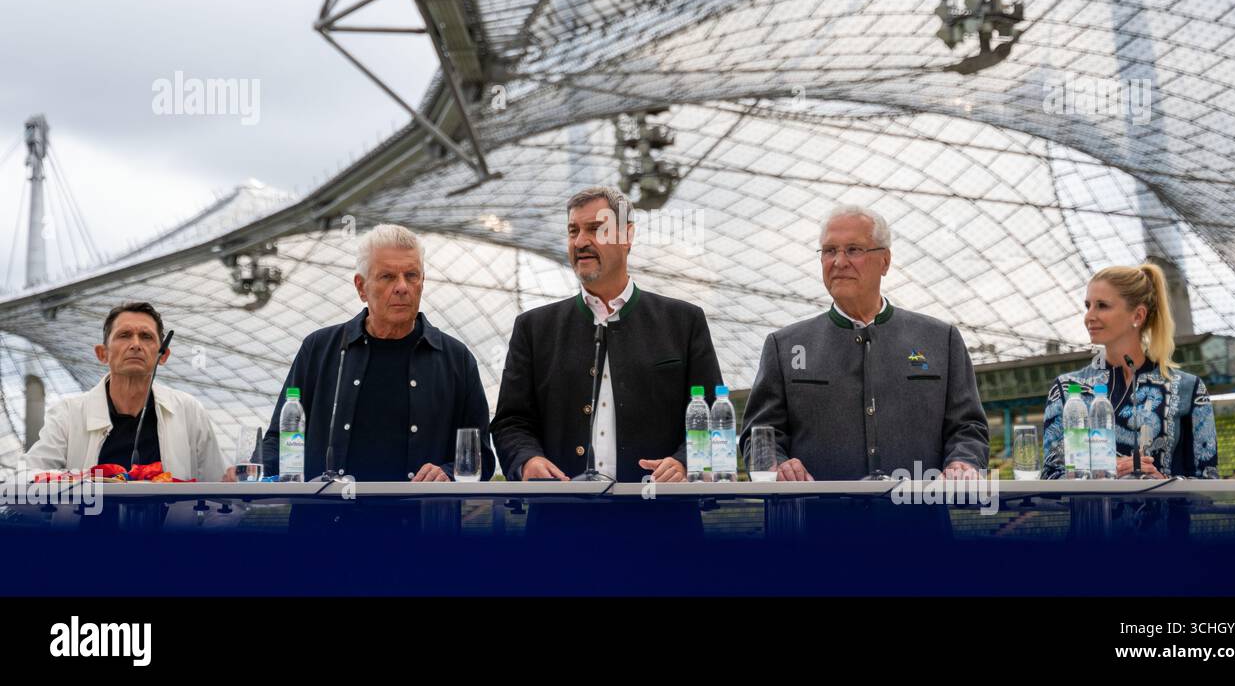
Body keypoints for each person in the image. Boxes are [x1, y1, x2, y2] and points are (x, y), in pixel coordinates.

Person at [491, 186, 722, 537]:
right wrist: (527, 461)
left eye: (595, 229)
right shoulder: (535, 329)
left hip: (662, 532)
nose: (581, 241)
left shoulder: (683, 322)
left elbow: (711, 419)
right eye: (573, 231)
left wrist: (684, 463)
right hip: (560, 534)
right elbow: (511, 422)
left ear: (627, 236)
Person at [740, 205, 989, 481]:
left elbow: (968, 427)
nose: (839, 261)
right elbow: (760, 435)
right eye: (829, 250)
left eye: (854, 250)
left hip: (917, 517)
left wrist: (964, 461)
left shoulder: (941, 339)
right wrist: (776, 465)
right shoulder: (784, 346)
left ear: (885, 261)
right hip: (820, 520)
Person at [259, 224, 494, 503]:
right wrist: (251, 475)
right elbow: (280, 439)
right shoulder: (319, 350)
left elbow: (480, 456)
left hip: (422, 538)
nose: (402, 287)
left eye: (411, 275)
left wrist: (448, 472)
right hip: (326, 536)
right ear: (361, 287)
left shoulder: (456, 359)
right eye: (387, 276)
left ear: (422, 281)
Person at [1042, 263, 1218, 480]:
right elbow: (1050, 477)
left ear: (1138, 316)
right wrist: (1104, 470)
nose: (1089, 316)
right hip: (1093, 515)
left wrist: (1160, 482)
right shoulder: (1066, 388)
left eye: (1102, 306)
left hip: (1166, 515)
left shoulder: (1189, 388)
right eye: (1088, 306)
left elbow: (1209, 481)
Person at [25, 301, 226, 482]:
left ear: (162, 356)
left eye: (146, 336)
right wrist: (80, 482)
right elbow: (29, 476)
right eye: (124, 335)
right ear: (102, 353)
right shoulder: (68, 414)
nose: (136, 345)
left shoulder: (188, 410)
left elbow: (218, 492)